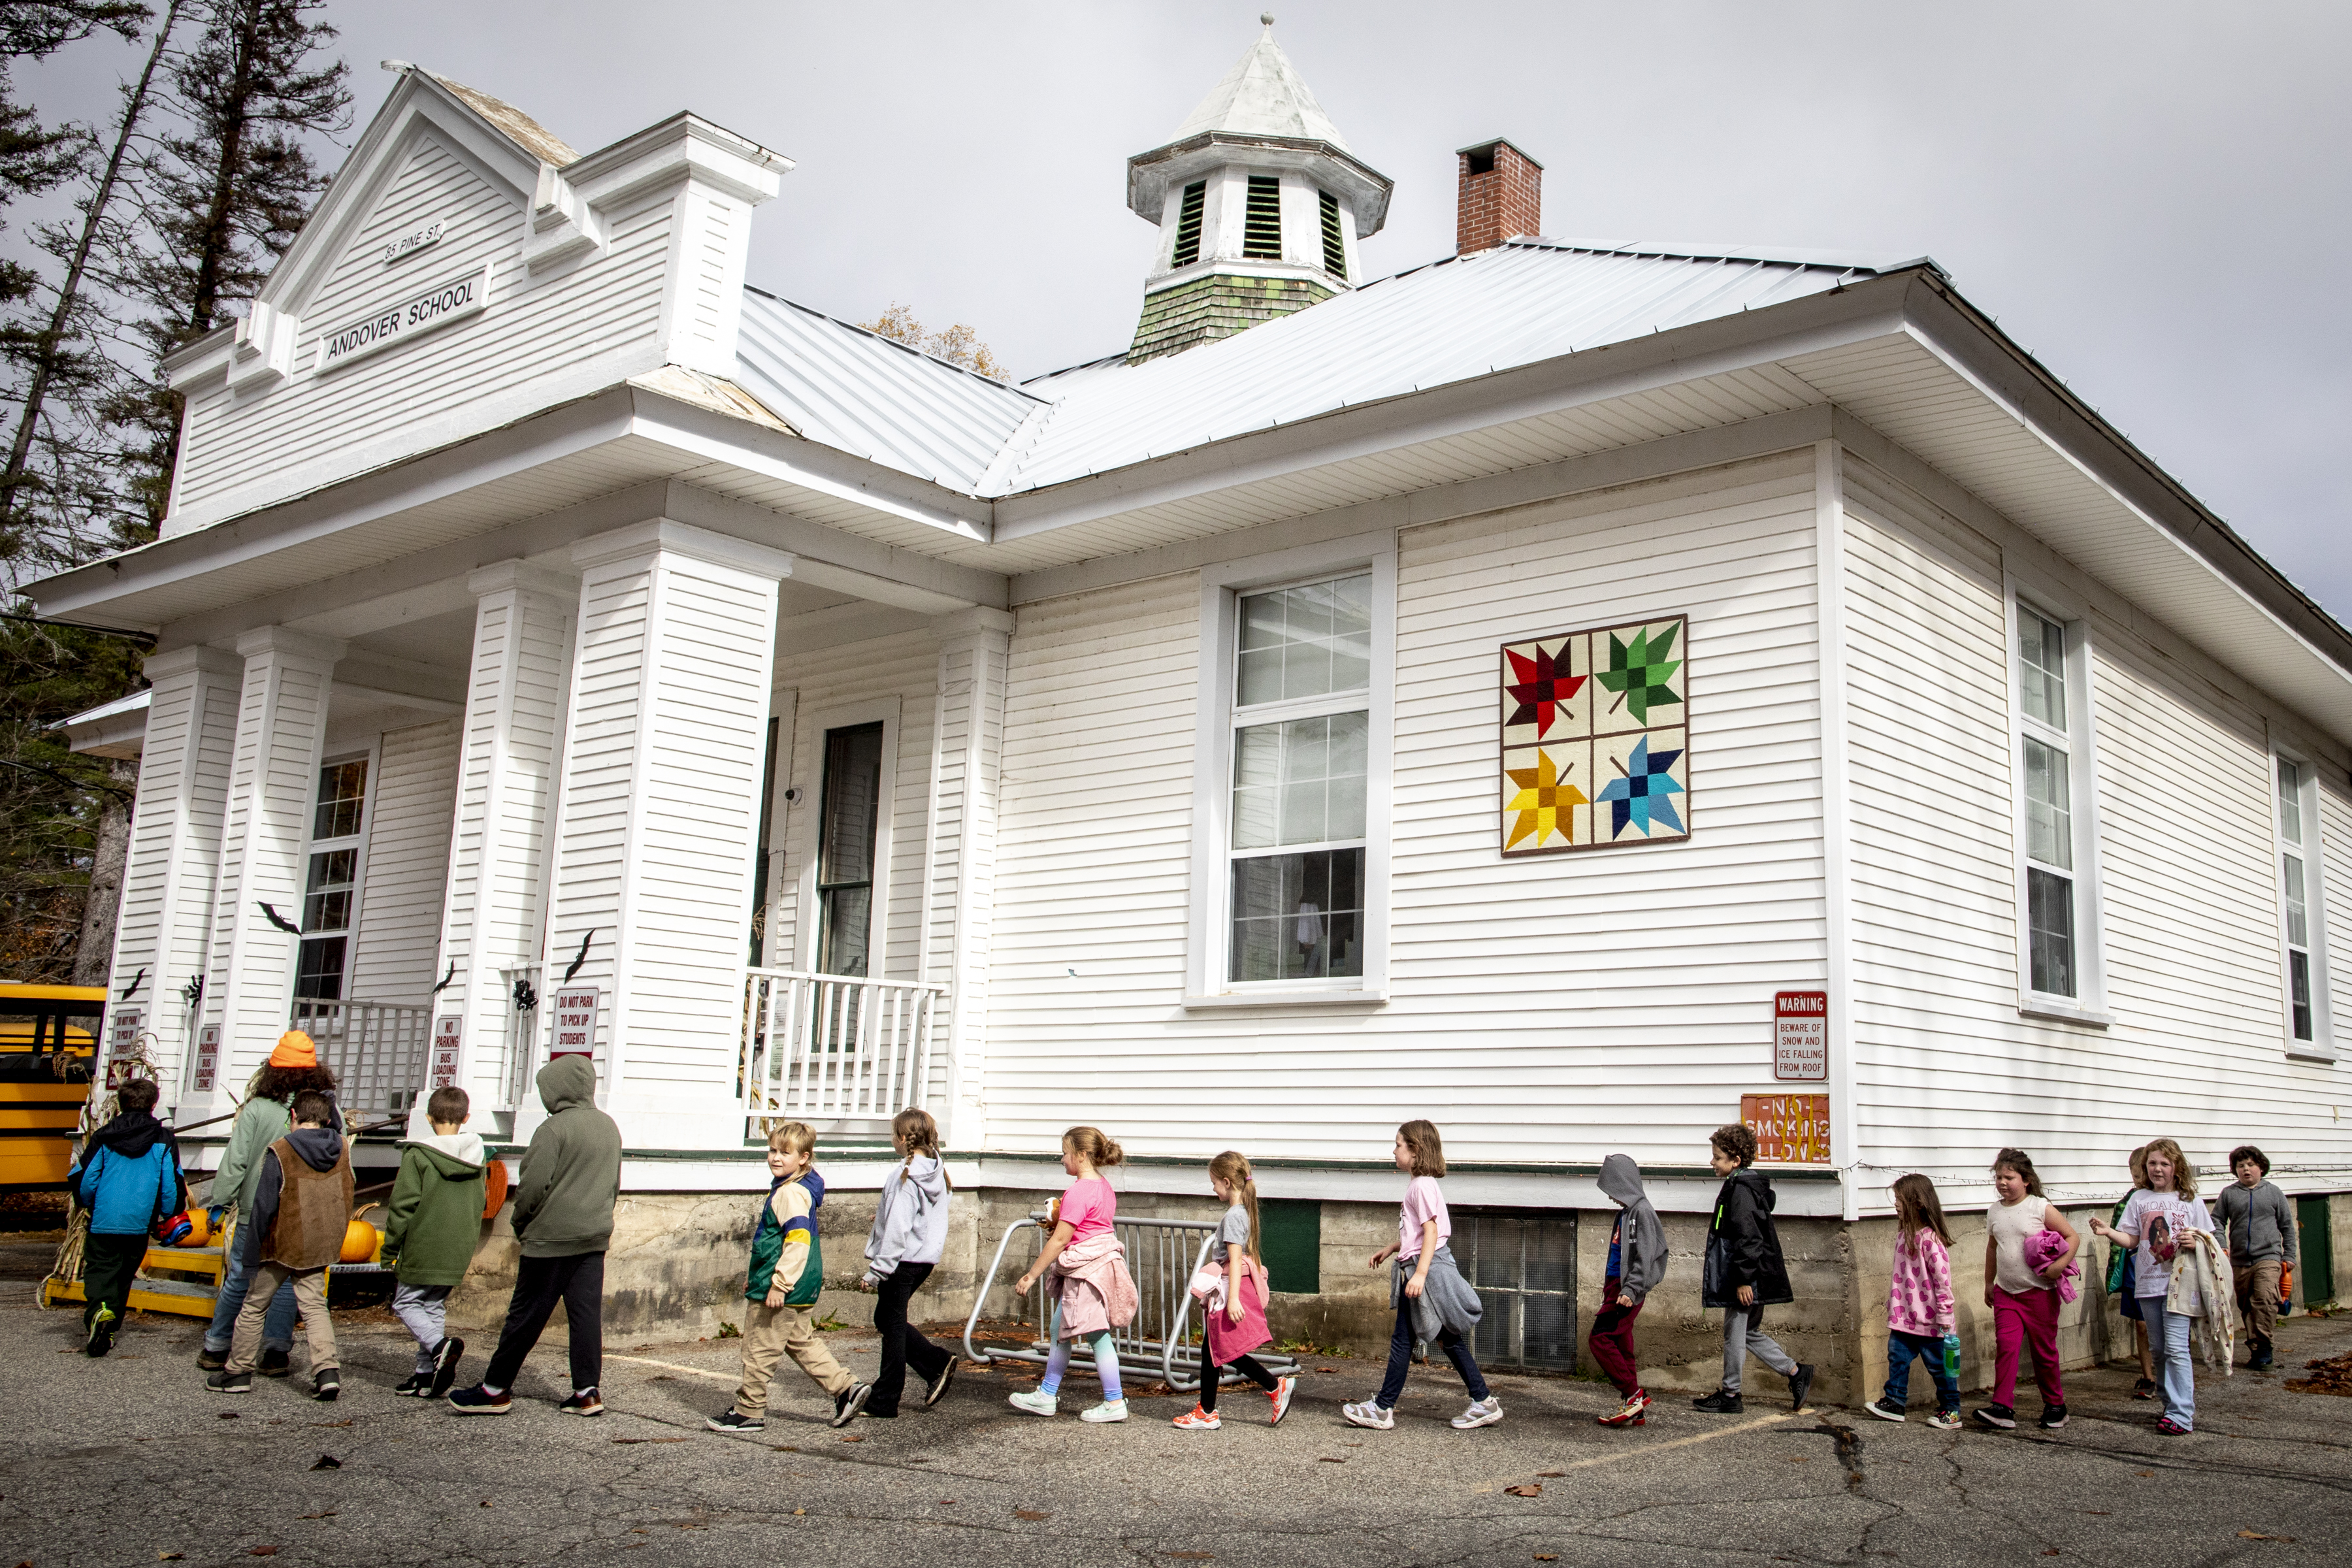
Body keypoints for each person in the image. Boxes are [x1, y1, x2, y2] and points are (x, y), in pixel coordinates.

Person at [448, 1054, 621, 1416]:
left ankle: (494, 1389)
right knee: (585, 1316)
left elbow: (532, 1188)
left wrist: (521, 1224)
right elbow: (613, 1185)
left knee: (525, 1316)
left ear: (556, 1091)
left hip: (550, 1239)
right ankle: (587, 1391)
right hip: (593, 1236)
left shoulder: (553, 1130)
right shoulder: (608, 1127)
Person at [706, 1122, 872, 1433]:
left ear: (804, 1158)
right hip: (799, 1283)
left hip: (785, 1285)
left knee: (758, 1348)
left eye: (785, 1152)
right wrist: (755, 1277)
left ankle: (749, 1410)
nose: (776, 1158)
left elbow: (797, 1242)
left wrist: (779, 1283)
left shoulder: (791, 1193)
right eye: (772, 1150)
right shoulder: (798, 1187)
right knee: (800, 1341)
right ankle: (846, 1389)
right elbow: (772, 1243)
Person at [196, 1032, 340, 1377]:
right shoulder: (323, 1112)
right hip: (303, 1211)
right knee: (292, 1283)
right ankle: (277, 1350)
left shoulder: (257, 1109)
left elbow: (236, 1161)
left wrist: (220, 1202)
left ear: (273, 1071)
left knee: (240, 1279)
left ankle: (217, 1346)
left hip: (254, 1207)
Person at [1343, 1120, 1500, 1432]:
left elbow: (1432, 1232)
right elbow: (1418, 1234)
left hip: (1425, 1270)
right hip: (1420, 1265)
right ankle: (1483, 1401)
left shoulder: (1422, 1186)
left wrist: (1420, 1276)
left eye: (1399, 1144)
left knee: (1403, 1340)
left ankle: (1383, 1407)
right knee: (1448, 1339)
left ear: (1414, 1150)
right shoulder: (1420, 1185)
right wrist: (1392, 1247)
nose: (1394, 1150)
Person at [206, 1090, 353, 1399]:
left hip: (280, 1243)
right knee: (314, 1308)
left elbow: (263, 1206)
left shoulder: (282, 1151)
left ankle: (238, 1372)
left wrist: (252, 1251)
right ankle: (327, 1372)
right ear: (327, 1120)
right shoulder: (341, 1147)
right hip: (317, 1243)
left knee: (254, 1306)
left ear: (292, 1117)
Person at [1007, 1126, 1139, 1424]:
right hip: (1099, 1266)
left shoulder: (1078, 1191)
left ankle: (1114, 1401)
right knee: (1059, 1331)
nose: (1062, 1159)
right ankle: (1046, 1394)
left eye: (1065, 1153)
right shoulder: (1103, 1187)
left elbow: (1060, 1240)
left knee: (1097, 1336)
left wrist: (1031, 1275)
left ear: (1081, 1155)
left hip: (1086, 1273)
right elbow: (1089, 1229)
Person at [2089, 1136, 2215, 1435]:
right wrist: (2109, 1232)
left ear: (2177, 1167)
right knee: (2158, 1350)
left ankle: (2181, 1414)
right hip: (2147, 1284)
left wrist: (2194, 1239)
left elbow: (2210, 1238)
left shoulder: (2190, 1200)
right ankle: (2169, 1401)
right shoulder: (2139, 1199)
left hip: (2180, 1282)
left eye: (2164, 1164)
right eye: (2152, 1164)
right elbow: (2133, 1240)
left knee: (2176, 1348)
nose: (2158, 1169)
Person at [1695, 1122, 1814, 1414]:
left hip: (1747, 1279)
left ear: (1735, 1161)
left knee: (1734, 1333)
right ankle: (1796, 1372)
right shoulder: (1740, 1186)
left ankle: (1731, 1393)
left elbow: (1748, 1238)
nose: (1712, 1162)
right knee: (1747, 1332)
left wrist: (1743, 1280)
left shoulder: (1741, 1192)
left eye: (1718, 1157)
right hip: (1751, 1276)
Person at [1172, 1151, 1298, 1430]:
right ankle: (1207, 1410)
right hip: (1230, 1289)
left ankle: (1273, 1385)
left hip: (1229, 1290)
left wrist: (1231, 1300)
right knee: (1214, 1349)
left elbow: (1236, 1258)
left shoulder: (1233, 1217)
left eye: (1214, 1182)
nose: (1213, 1187)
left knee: (1225, 1349)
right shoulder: (1243, 1213)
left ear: (1227, 1182)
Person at [67, 1077, 185, 1357]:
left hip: (105, 1218)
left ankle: (101, 1313)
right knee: (124, 1273)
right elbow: (171, 1183)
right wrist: (169, 1214)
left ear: (120, 1104)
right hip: (140, 1221)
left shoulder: (105, 1136)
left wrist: (86, 1203)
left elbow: (86, 1178)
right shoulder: (164, 1138)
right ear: (154, 1104)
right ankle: (109, 1325)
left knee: (100, 1270)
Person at [382, 1085, 485, 1399]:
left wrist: (389, 1250)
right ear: (466, 1117)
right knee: (432, 1305)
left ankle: (440, 1347)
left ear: (428, 1118)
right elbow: (480, 1202)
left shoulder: (418, 1154)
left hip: (424, 1241)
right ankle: (425, 1374)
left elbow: (402, 1206)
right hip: (458, 1245)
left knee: (405, 1303)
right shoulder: (477, 1156)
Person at [858, 1108, 957, 1419]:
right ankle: (934, 1363)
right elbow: (916, 1218)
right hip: (924, 1259)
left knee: (893, 1327)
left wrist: (877, 1271)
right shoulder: (936, 1170)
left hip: (901, 1262)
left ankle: (885, 1400)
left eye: (893, 1134)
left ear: (902, 1138)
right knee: (888, 1320)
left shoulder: (905, 1176)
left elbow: (900, 1229)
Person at [1974, 1147, 2080, 1431]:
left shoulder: (2039, 1207)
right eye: (1998, 1177)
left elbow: (2072, 1236)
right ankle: (2002, 1407)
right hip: (2006, 1293)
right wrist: (1988, 1282)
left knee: (2043, 1351)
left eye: (2009, 1177)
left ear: (2026, 1180)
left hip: (2039, 1294)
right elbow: (1993, 1247)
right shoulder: (1994, 1210)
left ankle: (2056, 1406)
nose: (2002, 1183)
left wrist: (2059, 1265)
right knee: (2006, 1348)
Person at [1864, 1173, 1961, 1429]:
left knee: (1942, 1368)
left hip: (1933, 1322)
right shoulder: (1902, 1236)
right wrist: (1893, 1306)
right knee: (1897, 1358)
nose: (1895, 1205)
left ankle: (1952, 1410)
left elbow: (1943, 1283)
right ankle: (1895, 1401)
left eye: (1900, 1200)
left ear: (1918, 1203)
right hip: (1903, 1318)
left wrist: (1944, 1315)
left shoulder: (1931, 1241)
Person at [1589, 1153, 1667, 1428]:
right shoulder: (1625, 1214)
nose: (1611, 1197)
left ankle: (1634, 1395)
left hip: (1626, 1291)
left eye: (1613, 1190)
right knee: (1622, 1344)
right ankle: (1634, 1407)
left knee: (1599, 1339)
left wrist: (1632, 1289)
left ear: (1624, 1184)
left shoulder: (1642, 1212)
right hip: (1616, 1288)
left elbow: (1646, 1256)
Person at [2213, 1144, 2298, 1370]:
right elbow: (2217, 1221)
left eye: (2251, 1165)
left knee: (2264, 1299)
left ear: (2261, 1167)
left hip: (2268, 1257)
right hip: (2240, 1260)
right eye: (2241, 1166)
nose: (2246, 1170)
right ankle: (2255, 1348)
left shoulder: (2273, 1193)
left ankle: (2265, 1347)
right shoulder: (2229, 1194)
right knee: (2246, 1305)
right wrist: (2222, 1246)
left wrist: (2289, 1254)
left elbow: (2288, 1226)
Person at [2106, 1145, 2158, 1399]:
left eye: (2140, 1174)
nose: (2137, 1181)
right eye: (2133, 1175)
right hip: (2135, 1271)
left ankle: (2171, 1375)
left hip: (2162, 1271)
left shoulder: (2168, 1199)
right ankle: (2148, 1377)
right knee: (2142, 1325)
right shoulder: (2127, 1203)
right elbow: (2119, 1243)